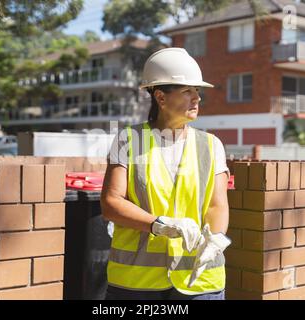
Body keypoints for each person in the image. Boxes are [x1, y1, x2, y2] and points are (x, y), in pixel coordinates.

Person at [100, 47, 231, 300]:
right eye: (187, 91)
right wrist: (158, 225)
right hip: (137, 284)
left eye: (197, 91)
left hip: (200, 282)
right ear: (160, 97)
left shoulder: (211, 144)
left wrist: (215, 240)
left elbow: (217, 205)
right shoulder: (129, 140)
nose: (197, 98)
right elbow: (111, 203)